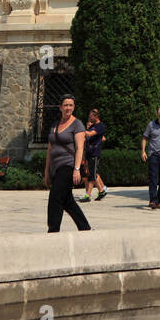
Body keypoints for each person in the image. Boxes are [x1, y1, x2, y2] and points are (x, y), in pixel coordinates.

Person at [45, 96, 91, 232]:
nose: (68, 108)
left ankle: (53, 230)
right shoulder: (55, 125)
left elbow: (80, 148)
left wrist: (76, 169)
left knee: (55, 196)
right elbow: (50, 149)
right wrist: (47, 171)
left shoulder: (77, 124)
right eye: (65, 105)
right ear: (60, 107)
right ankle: (85, 227)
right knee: (67, 201)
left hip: (68, 166)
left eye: (71, 105)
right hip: (55, 168)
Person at [81, 109, 107, 203]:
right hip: (89, 152)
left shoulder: (100, 126)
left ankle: (89, 195)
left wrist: (79, 129)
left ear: (96, 116)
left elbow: (90, 134)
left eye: (91, 116)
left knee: (93, 174)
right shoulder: (92, 126)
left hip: (95, 153)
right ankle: (101, 191)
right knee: (91, 174)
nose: (89, 117)